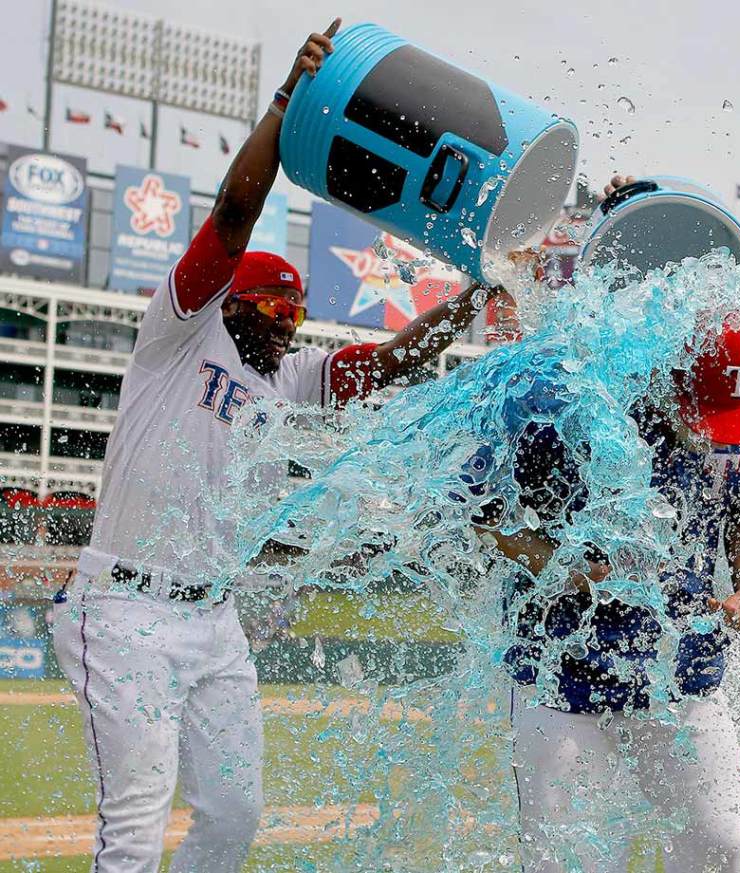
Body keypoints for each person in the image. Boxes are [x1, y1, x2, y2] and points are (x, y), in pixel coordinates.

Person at [50, 20, 503, 872]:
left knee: (233, 816)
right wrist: (288, 101)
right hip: (125, 609)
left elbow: (389, 364)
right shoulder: (181, 334)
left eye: (294, 310)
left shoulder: (285, 375)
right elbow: (234, 211)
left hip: (211, 615)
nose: (286, 319)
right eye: (271, 305)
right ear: (230, 301)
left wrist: (468, 300)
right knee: (135, 827)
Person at [468, 259, 740, 872]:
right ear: (665, 383)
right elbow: (485, 514)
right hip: (558, 668)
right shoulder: (569, 413)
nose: (721, 440)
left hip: (683, 664)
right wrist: (565, 568)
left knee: (719, 853)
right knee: (575, 862)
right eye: (707, 423)